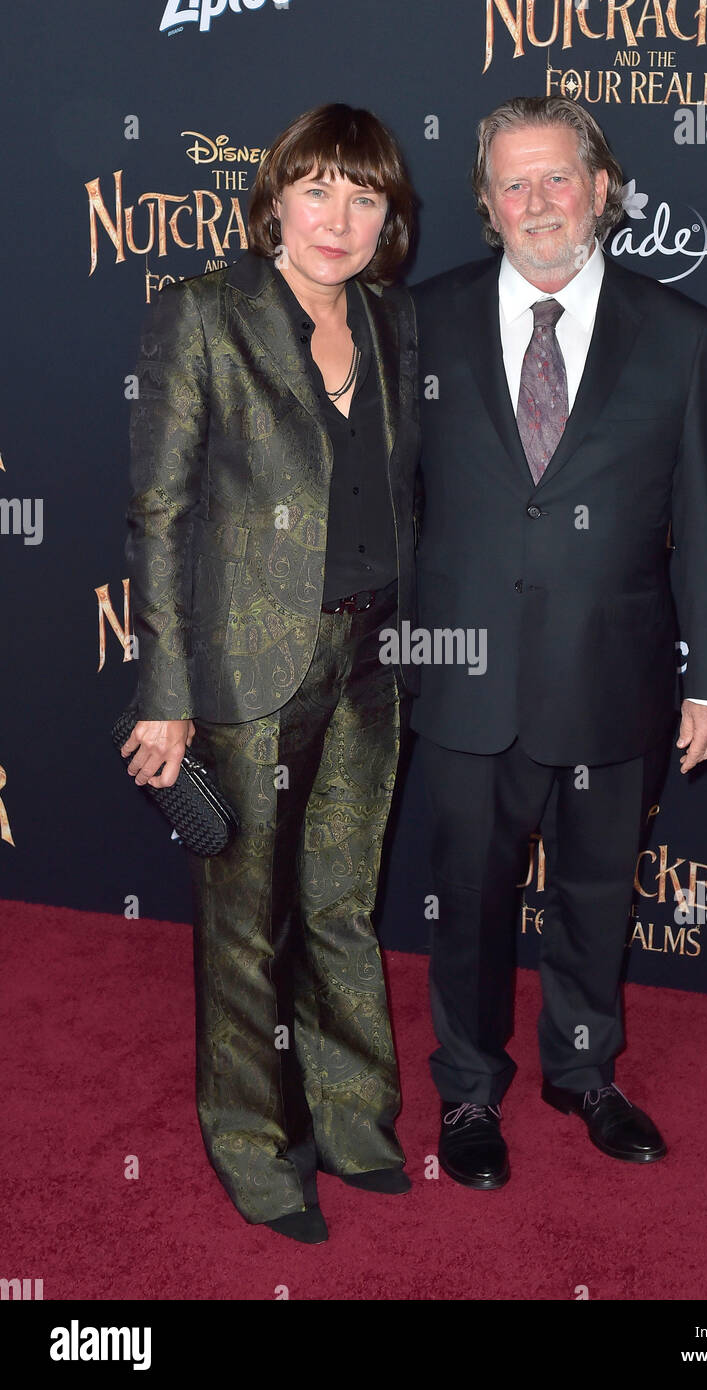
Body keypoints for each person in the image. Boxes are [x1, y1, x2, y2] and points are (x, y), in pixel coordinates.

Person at [410, 96, 707, 1189]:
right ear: (484, 204)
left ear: (600, 188)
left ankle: (581, 1069)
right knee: (465, 895)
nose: (536, 203)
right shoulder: (422, 319)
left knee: (599, 887)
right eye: (511, 184)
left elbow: (706, 515)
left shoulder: (681, 332)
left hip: (616, 671)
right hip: (464, 672)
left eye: (556, 178)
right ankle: (467, 1089)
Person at [122, 104, 420, 1242]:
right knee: (247, 921)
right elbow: (158, 514)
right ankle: (254, 1148)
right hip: (246, 668)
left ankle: (352, 1118)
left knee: (342, 903)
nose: (338, 219)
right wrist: (165, 691)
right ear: (274, 198)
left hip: (367, 658)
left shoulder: (394, 327)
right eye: (316, 189)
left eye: (364, 197)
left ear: (387, 217)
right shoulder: (202, 313)